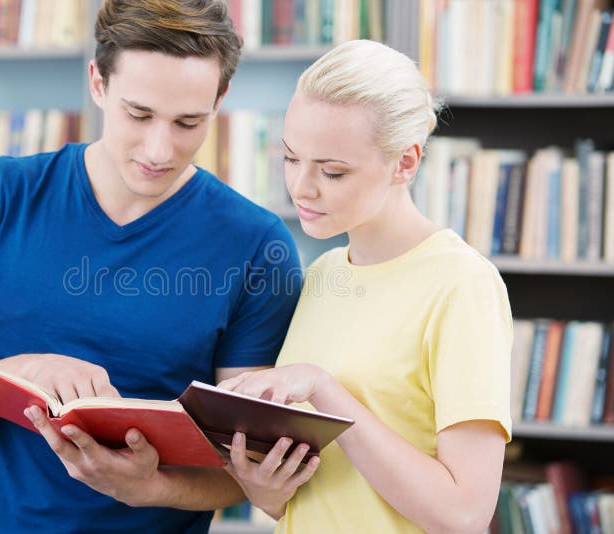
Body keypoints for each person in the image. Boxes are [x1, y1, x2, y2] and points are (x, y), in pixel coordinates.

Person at [0, 1, 302, 532]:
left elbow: (250, 464)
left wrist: (151, 488)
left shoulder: (257, 246)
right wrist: (25, 373)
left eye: (188, 122)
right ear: (98, 84)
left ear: (221, 99)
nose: (159, 149)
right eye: (139, 114)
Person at [219, 39, 513, 533]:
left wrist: (323, 388)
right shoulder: (321, 276)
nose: (302, 188)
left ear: (405, 162)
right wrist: (266, 487)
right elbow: (306, 499)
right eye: (292, 159)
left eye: (332, 171)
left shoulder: (462, 286)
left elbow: (464, 514)